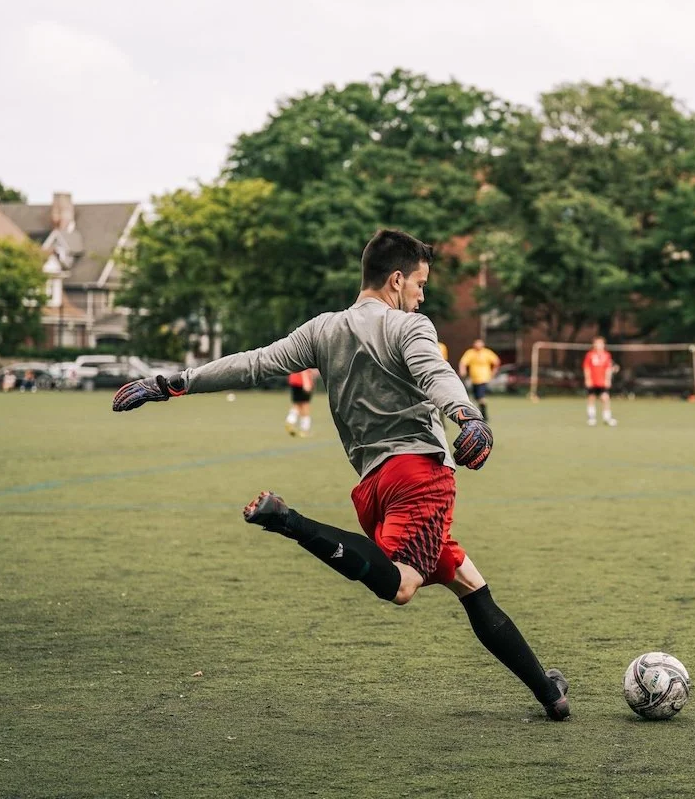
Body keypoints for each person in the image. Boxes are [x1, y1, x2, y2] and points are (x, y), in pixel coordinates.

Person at [111, 229, 570, 721]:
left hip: (373, 487)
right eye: (420, 284)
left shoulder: (323, 329)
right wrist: (468, 416)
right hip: (419, 476)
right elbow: (437, 375)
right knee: (401, 585)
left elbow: (253, 364)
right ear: (396, 280)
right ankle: (287, 520)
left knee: (467, 581)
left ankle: (548, 693)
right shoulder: (409, 327)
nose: (422, 295)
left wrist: (172, 383)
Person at [459, 338, 500, 422]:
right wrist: (463, 370)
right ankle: (481, 414)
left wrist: (493, 372)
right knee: (477, 398)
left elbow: (496, 362)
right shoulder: (470, 352)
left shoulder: (487, 352)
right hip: (474, 379)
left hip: (484, 378)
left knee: (481, 397)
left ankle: (484, 416)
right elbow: (463, 362)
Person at [582, 336, 617, 427]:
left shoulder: (607, 355)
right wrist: (587, 379)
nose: (599, 345)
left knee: (605, 398)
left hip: (602, 381)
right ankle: (591, 418)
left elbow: (608, 368)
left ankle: (607, 418)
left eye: (601, 343)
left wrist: (608, 380)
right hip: (593, 381)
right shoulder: (589, 355)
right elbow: (586, 368)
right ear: (594, 344)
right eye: (597, 343)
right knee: (591, 398)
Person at [285, 369, 314, 436]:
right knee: (305, 406)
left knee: (297, 404)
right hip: (302, 382)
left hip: (294, 380)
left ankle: (290, 421)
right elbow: (304, 368)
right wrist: (306, 382)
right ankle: (304, 429)